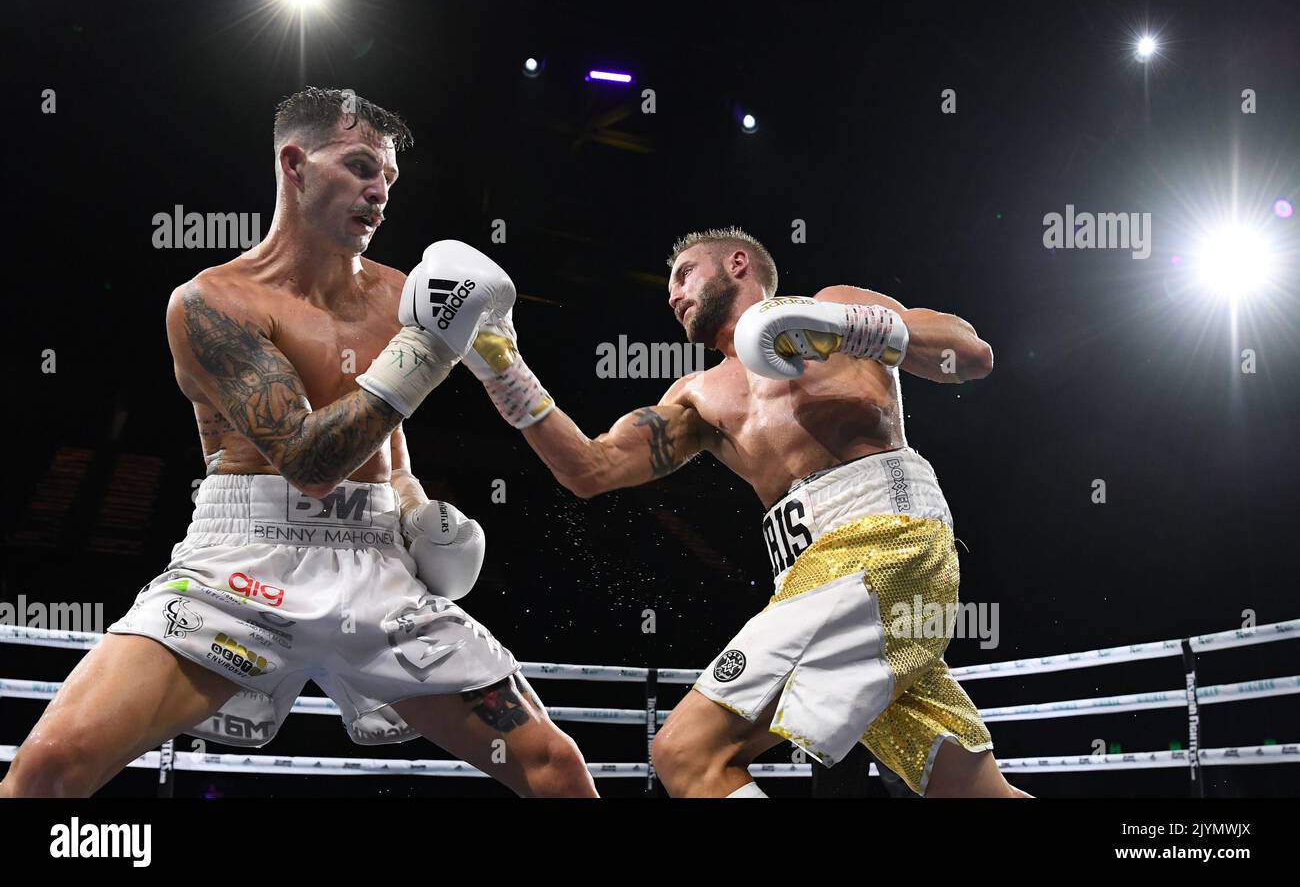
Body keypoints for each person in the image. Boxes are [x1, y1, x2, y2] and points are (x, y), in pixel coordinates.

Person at [0, 88, 595, 798]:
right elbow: (310, 461)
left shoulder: (403, 295)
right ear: (295, 164)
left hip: (377, 565)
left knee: (554, 768)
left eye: (389, 179)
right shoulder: (213, 301)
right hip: (242, 560)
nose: (380, 192)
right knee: (47, 771)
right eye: (361, 167)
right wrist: (432, 349)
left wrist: (417, 515)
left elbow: (391, 457)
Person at [460, 225, 1028, 797]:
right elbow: (589, 469)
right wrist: (499, 363)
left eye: (684, 273)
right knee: (972, 792)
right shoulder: (698, 396)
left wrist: (845, 329)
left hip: (882, 544)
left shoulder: (831, 307)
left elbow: (971, 354)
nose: (672, 293)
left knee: (685, 750)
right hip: (825, 586)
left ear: (737, 264)